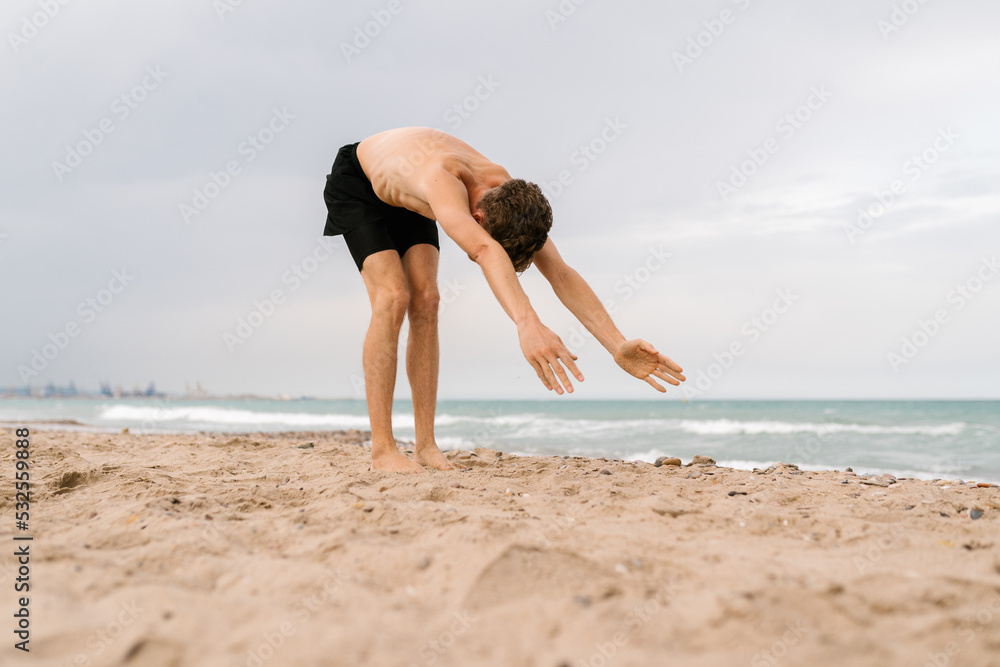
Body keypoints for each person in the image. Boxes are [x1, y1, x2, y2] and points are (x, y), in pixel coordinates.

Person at [323, 127, 685, 472]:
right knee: (394, 296)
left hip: (406, 183)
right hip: (360, 180)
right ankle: (383, 450)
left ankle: (425, 445)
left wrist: (616, 345)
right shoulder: (443, 182)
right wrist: (527, 323)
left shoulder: (510, 197)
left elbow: (559, 272)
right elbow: (483, 248)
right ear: (476, 217)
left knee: (428, 300)